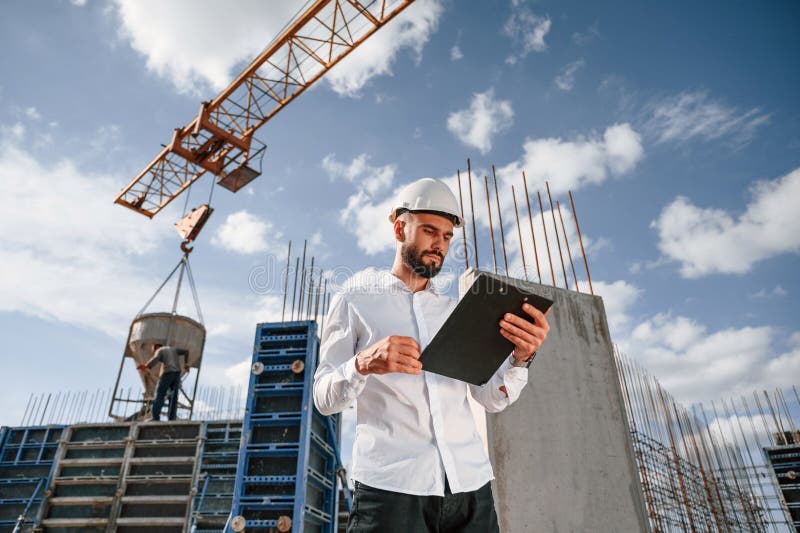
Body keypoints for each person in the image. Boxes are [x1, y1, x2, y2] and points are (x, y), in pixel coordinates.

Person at [313, 178, 551, 532]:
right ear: (399, 228)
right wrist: (362, 364)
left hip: (470, 488)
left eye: (446, 237)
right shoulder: (355, 300)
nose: (439, 245)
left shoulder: (456, 312)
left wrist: (520, 358)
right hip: (391, 490)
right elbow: (323, 398)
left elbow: (488, 398)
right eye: (429, 231)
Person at [138, 343, 190, 421]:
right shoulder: (173, 349)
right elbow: (186, 352)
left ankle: (155, 417)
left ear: (156, 348)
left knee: (160, 394)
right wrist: (186, 364)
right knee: (173, 398)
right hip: (176, 375)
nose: (154, 352)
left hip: (167, 373)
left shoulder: (160, 350)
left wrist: (146, 366)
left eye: (154, 351)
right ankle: (172, 419)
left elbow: (155, 358)